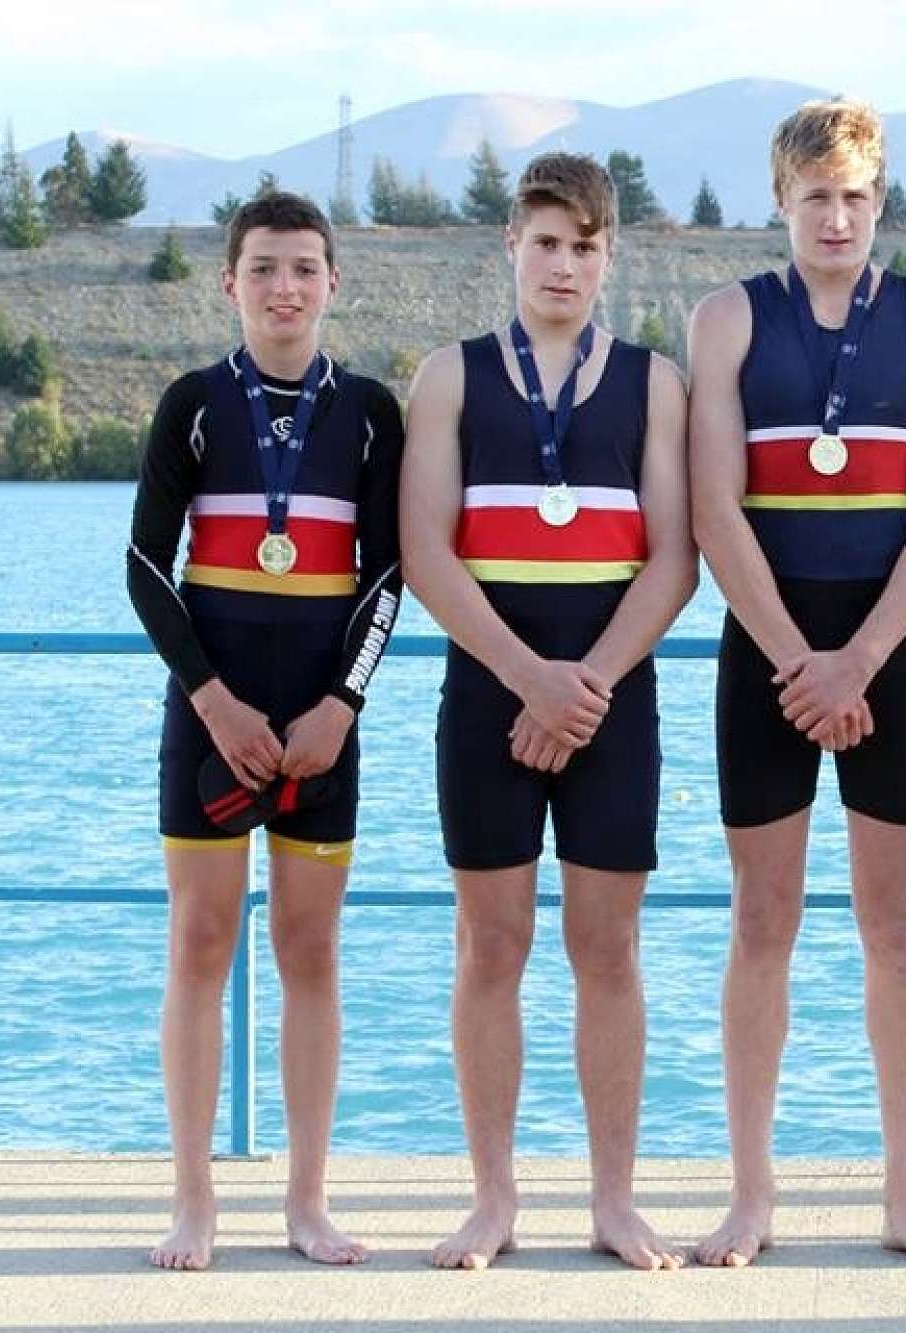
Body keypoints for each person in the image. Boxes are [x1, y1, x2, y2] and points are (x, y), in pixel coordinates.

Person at [686, 97, 906, 1268]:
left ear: (879, 200)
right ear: (781, 200)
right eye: (816, 197)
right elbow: (714, 509)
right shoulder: (724, 319)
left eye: (856, 197)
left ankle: (905, 1194)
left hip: (887, 646)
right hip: (765, 647)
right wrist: (795, 658)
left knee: (892, 923)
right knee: (762, 920)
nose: (837, 219)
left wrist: (858, 656)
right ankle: (749, 1195)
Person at [400, 152, 696, 1270]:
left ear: (607, 257)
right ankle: (493, 1199)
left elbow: (674, 561)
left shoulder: (654, 383)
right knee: (492, 945)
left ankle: (614, 1200)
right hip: (490, 690)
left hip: (611, 697)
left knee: (606, 947)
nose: (561, 264)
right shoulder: (452, 377)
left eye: (582, 246)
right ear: (510, 247)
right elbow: (427, 552)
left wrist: (585, 687)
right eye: (544, 243)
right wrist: (529, 676)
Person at [127, 192, 403, 1270]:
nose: (283, 288)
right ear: (229, 284)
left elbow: (387, 577)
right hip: (212, 717)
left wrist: (342, 706)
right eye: (262, 269)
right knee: (199, 944)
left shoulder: (370, 412)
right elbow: (146, 568)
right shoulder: (193, 404)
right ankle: (193, 1202)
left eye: (302, 269)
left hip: (322, 725)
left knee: (310, 950)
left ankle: (307, 1202)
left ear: (334, 282)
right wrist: (212, 699)